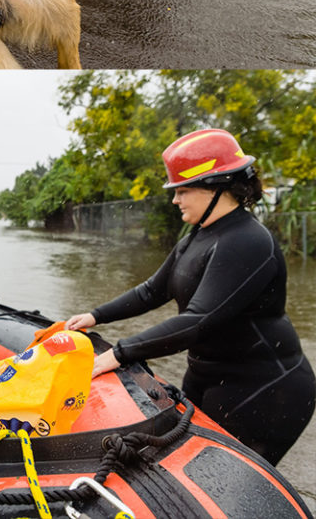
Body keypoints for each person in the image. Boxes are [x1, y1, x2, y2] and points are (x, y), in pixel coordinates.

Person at [66, 128, 316, 466]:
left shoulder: (248, 242)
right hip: (209, 376)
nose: (175, 200)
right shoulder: (198, 234)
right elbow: (154, 290)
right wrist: (96, 316)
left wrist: (120, 354)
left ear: (218, 187)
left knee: (224, 485)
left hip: (266, 389)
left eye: (182, 190)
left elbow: (197, 321)